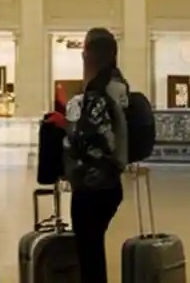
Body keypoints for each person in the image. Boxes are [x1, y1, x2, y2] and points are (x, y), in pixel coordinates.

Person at [63, 27, 131, 283]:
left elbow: (88, 138)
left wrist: (66, 130)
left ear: (91, 55)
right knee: (94, 251)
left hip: (94, 185)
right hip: (111, 183)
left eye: (84, 51)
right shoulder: (119, 84)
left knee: (89, 256)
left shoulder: (98, 92)